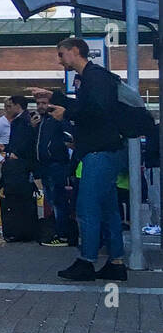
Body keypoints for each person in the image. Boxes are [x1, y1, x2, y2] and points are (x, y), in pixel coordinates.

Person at [32, 37, 128, 281]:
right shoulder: (96, 77)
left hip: (98, 152)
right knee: (108, 209)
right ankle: (116, 262)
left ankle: (87, 261)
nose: (60, 60)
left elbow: (95, 110)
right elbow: (92, 107)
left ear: (75, 52)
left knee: (86, 208)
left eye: (62, 54)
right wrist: (55, 96)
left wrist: (67, 111)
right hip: (107, 150)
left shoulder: (93, 77)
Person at [33, 93, 74, 247]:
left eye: (43, 103)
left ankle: (62, 234)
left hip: (56, 164)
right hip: (45, 165)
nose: (40, 106)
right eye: (38, 103)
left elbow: (69, 137)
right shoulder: (41, 122)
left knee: (58, 200)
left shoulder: (56, 120)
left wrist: (59, 148)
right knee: (52, 200)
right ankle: (58, 231)